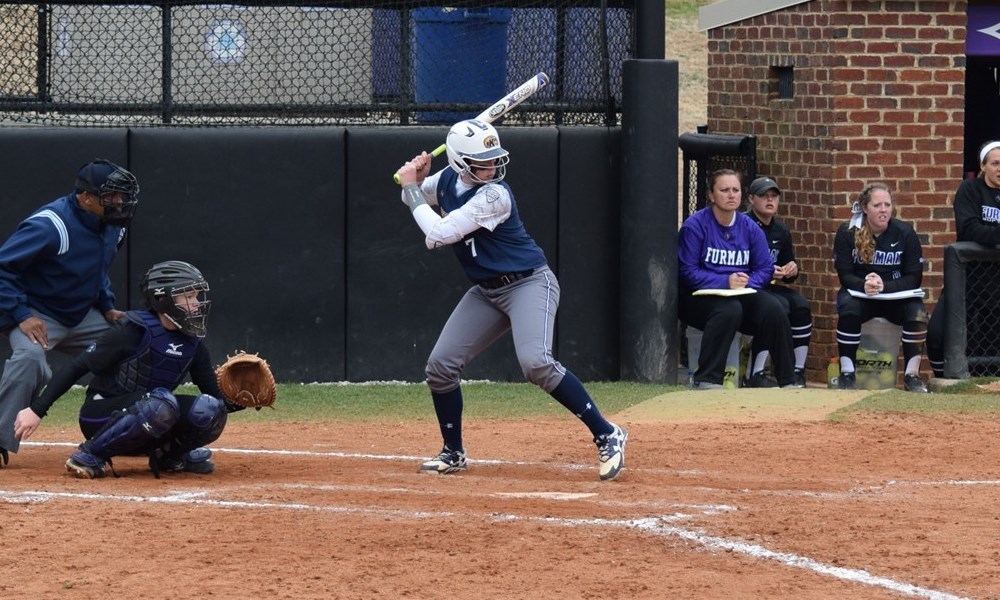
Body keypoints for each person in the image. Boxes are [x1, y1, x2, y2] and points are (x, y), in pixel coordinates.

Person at [393, 119, 627, 481]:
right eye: (481, 162)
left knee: (536, 363)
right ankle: (453, 452)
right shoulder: (447, 180)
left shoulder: (495, 195)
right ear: (458, 162)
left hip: (528, 283)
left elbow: (437, 233)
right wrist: (416, 179)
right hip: (487, 291)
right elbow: (415, 198)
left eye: (494, 159)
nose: (491, 167)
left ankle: (607, 433)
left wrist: (411, 187)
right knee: (440, 367)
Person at [13, 260, 244, 478]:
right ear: (163, 298)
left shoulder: (192, 342)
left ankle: (169, 456)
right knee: (160, 403)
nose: (196, 303)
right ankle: (89, 455)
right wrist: (37, 410)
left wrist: (241, 397)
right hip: (100, 417)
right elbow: (77, 366)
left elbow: (216, 398)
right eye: (188, 296)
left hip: (153, 416)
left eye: (196, 296)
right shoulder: (132, 330)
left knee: (210, 409)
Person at [0, 159, 139, 467]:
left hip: (80, 314)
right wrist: (21, 314)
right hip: (37, 313)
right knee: (30, 359)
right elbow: (3, 268)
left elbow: (97, 272)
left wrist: (107, 307)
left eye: (121, 195)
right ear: (86, 198)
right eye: (111, 195)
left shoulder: (113, 227)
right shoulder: (51, 225)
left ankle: (130, 424)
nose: (119, 202)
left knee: (132, 342)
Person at [678, 169, 801, 389]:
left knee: (774, 308)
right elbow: (687, 271)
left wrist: (746, 282)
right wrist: (725, 281)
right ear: (711, 195)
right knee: (729, 310)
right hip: (698, 297)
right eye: (724, 190)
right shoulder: (695, 225)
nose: (731, 195)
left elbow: (765, 268)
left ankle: (789, 381)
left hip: (739, 292)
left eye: (735, 190)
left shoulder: (749, 227)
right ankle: (707, 379)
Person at [833, 182, 929, 392]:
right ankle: (847, 373)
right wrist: (864, 285)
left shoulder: (905, 232)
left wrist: (884, 286)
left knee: (918, 311)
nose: (883, 210)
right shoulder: (847, 232)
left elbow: (914, 277)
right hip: (860, 295)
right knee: (848, 308)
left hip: (894, 297)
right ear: (865, 208)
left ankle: (912, 375)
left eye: (887, 205)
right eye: (877, 205)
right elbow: (845, 275)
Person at [926, 141, 1000, 377]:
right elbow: (969, 229)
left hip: (996, 284)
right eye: (995, 163)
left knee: (989, 342)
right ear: (983, 166)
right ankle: (942, 379)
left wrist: (991, 235)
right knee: (937, 332)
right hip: (968, 279)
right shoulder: (970, 189)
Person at [744, 176, 813, 387]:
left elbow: (788, 269)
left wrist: (792, 269)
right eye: (764, 196)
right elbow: (736, 264)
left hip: (770, 286)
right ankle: (756, 373)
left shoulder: (781, 230)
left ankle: (798, 371)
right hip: (749, 286)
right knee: (777, 307)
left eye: (774, 196)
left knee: (801, 305)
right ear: (751, 199)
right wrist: (765, 272)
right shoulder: (743, 225)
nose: (770, 200)